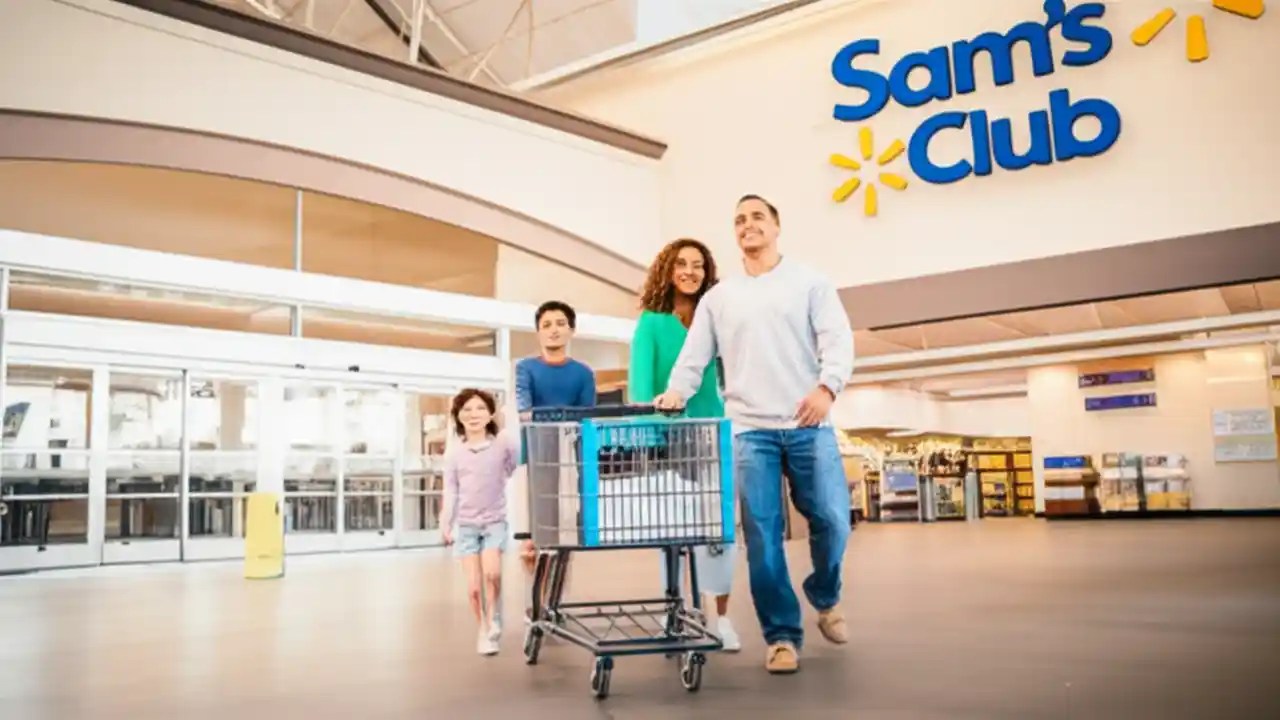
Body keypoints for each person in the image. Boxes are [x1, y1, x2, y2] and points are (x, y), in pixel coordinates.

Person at [655, 194, 855, 675]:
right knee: (763, 536)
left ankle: (825, 594)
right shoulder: (719, 298)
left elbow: (837, 340)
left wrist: (828, 387)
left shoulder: (810, 282)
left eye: (757, 217)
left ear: (777, 226)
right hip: (749, 430)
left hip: (809, 422)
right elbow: (694, 356)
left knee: (833, 519)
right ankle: (781, 636)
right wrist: (677, 391)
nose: (748, 225)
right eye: (740, 220)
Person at [628, 237, 741, 652]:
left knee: (719, 529)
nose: (690, 272)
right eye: (681, 264)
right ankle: (674, 606)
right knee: (672, 530)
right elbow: (641, 383)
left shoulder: (717, 318)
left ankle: (721, 618)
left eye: (698, 265)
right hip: (669, 438)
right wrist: (648, 437)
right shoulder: (652, 323)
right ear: (667, 270)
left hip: (715, 434)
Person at [511, 301, 597, 614]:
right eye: (546, 325)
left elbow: (586, 416)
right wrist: (550, 418)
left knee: (564, 533)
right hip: (536, 456)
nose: (554, 330)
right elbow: (524, 408)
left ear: (571, 330)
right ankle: (535, 602)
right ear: (537, 332)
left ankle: (554, 602)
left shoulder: (583, 373)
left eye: (561, 323)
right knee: (535, 533)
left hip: (569, 458)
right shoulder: (526, 368)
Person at [441, 388, 518, 656]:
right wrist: (445, 523)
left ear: (490, 414)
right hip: (467, 526)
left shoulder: (501, 443)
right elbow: (451, 490)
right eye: (467, 410)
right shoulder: (454, 453)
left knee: (492, 574)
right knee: (474, 588)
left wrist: (507, 431)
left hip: (494, 521)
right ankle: (483, 629)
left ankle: (494, 617)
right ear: (458, 416)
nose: (474, 415)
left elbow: (514, 463)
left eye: (481, 408)